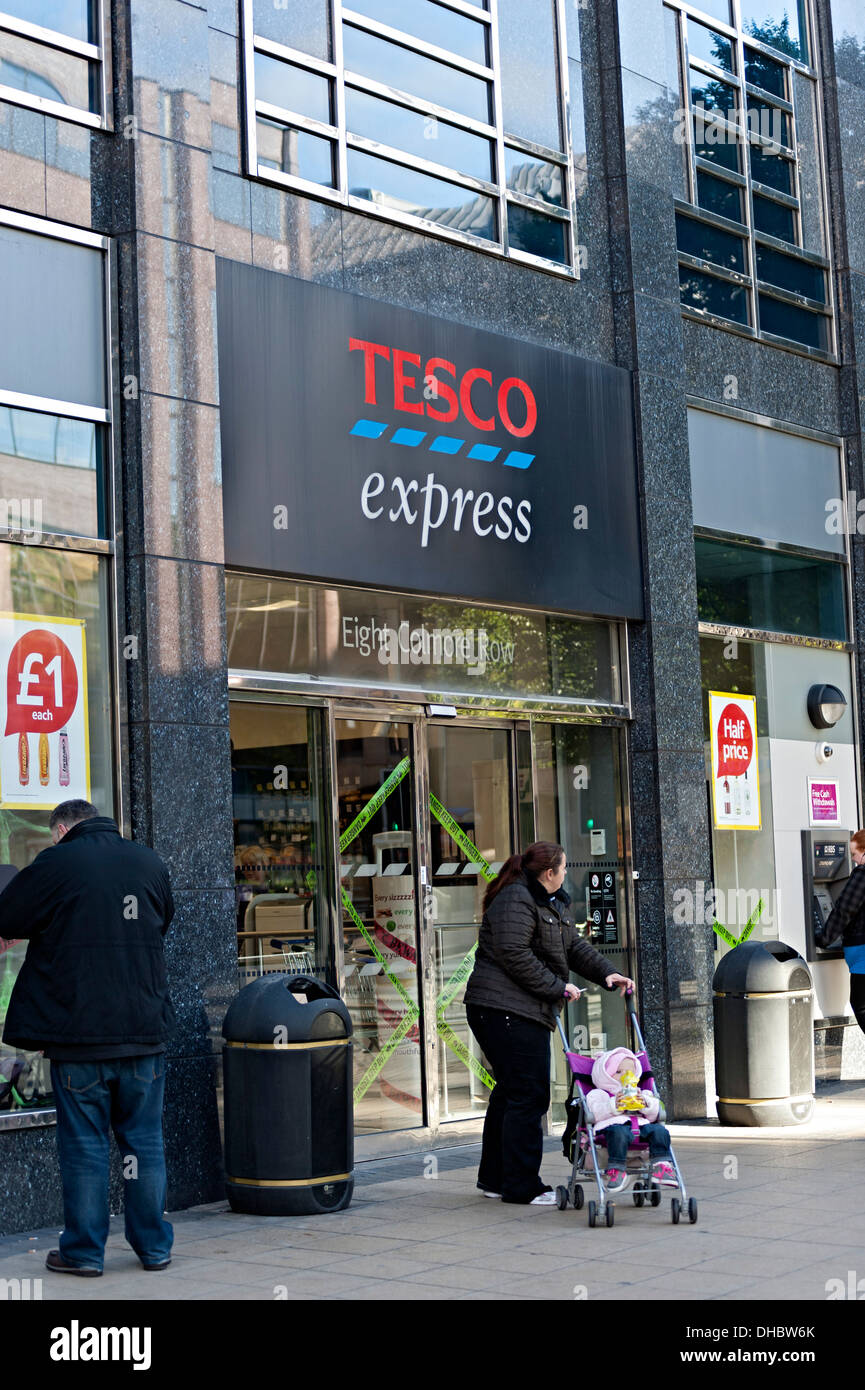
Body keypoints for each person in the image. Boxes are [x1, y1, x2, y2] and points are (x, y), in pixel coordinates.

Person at [0, 800, 175, 1276]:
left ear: (60, 830)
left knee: (86, 1147)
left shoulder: (57, 861)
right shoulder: (148, 861)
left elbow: (8, 917)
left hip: (81, 1041)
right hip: (144, 1036)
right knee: (145, 1143)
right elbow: (163, 922)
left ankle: (83, 1253)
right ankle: (154, 1248)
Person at [464, 841, 634, 1206]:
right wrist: (558, 986)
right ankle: (522, 1185)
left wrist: (609, 974)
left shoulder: (551, 903)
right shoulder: (517, 899)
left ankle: (496, 1178)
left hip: (512, 1009)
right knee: (529, 1093)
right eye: (563, 867)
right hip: (504, 1011)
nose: (567, 873)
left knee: (511, 1092)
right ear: (549, 873)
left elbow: (574, 948)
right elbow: (514, 954)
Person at [584, 1046, 677, 1192]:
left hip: (641, 1127)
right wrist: (614, 1104)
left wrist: (645, 1103)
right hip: (613, 1129)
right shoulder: (599, 1094)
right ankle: (616, 1169)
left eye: (629, 1072)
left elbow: (655, 1113)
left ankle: (661, 1165)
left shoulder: (642, 1092)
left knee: (660, 1130)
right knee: (619, 1133)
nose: (624, 1076)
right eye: (618, 1072)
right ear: (605, 1075)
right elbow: (594, 1113)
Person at [818, 828, 865, 1035]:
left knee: (860, 1004)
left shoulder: (862, 876)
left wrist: (824, 938)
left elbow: (844, 909)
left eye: (855, 854)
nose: (853, 860)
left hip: (863, 955)